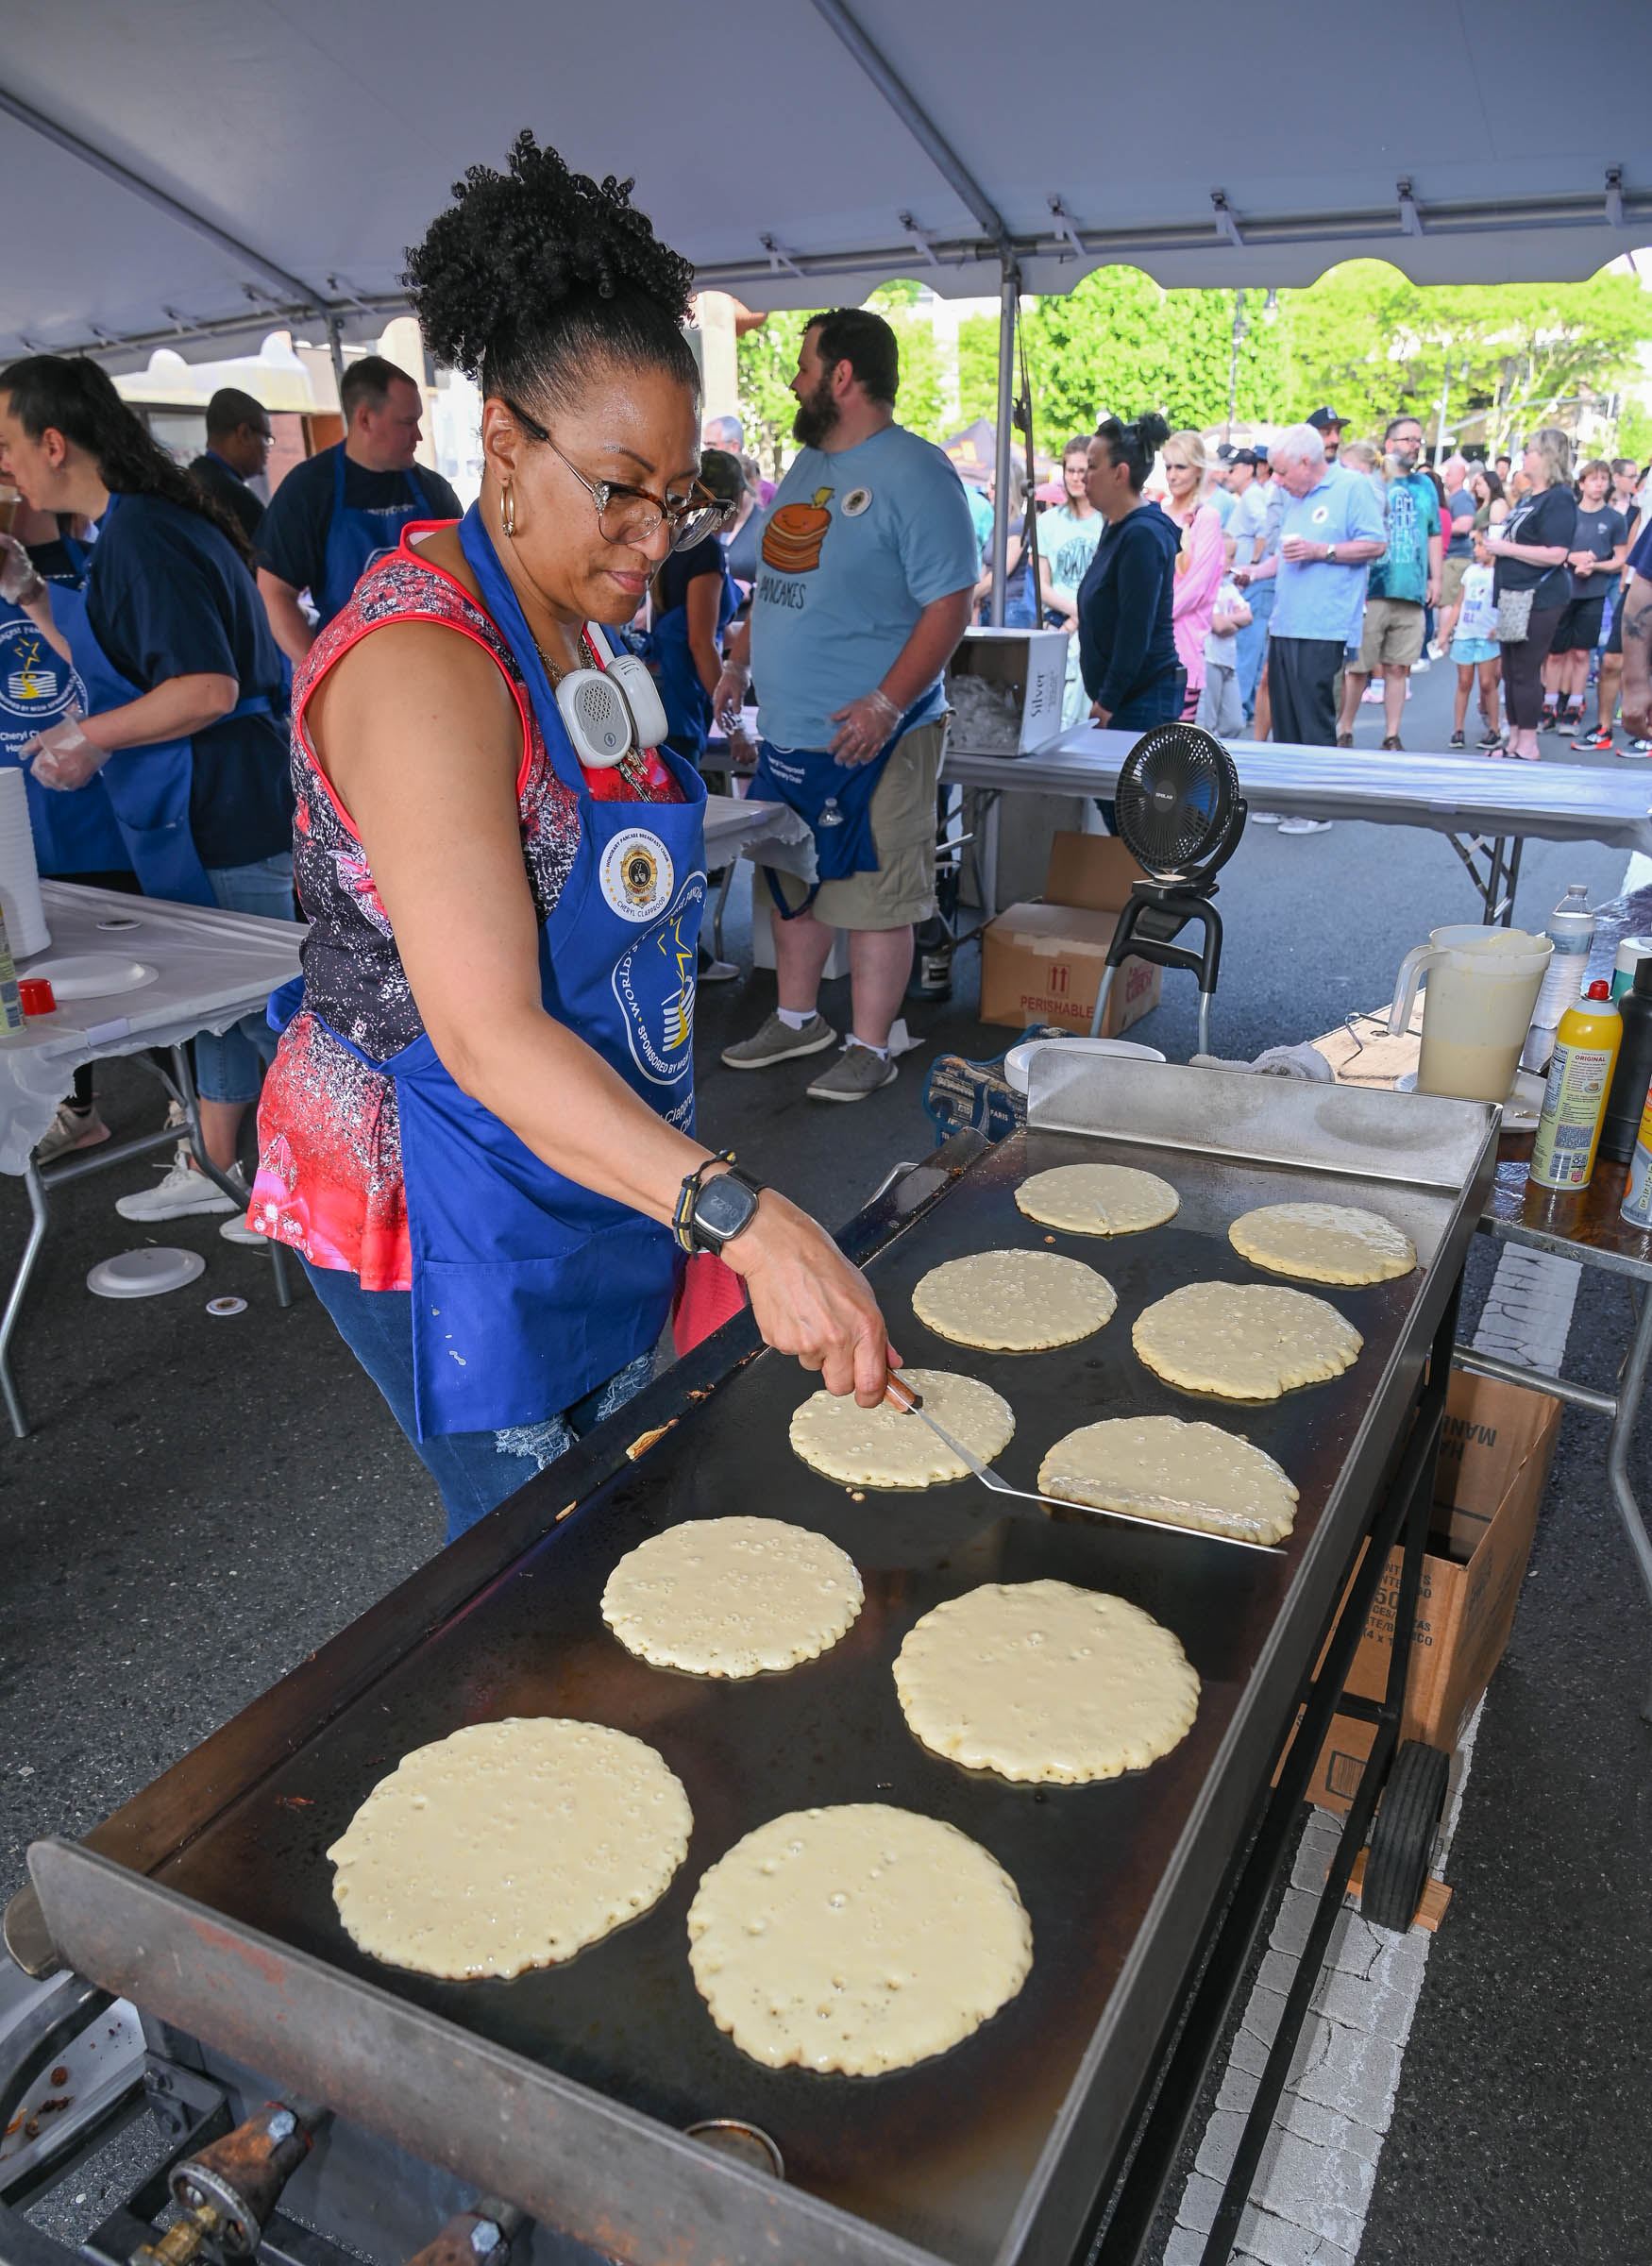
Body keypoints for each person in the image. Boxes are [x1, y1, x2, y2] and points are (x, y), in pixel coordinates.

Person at [242, 133, 893, 1544]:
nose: (657, 535)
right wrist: (748, 1218)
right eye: (621, 486)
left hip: (584, 1140)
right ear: (501, 448)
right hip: (442, 1169)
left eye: (682, 493)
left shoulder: (578, 614)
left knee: (630, 1483)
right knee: (552, 1557)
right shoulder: (421, 669)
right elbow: (480, 1034)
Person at [0, 358, 296, 1226]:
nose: (5, 465)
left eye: (8, 445)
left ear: (54, 442)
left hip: (223, 809)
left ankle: (330, 1187)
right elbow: (123, 653)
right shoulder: (132, 527)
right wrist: (30, 595)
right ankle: (221, 1169)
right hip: (205, 806)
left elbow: (201, 687)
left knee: (275, 1014)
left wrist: (88, 740)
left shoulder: (145, 536)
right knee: (227, 1017)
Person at [715, 308, 976, 1105]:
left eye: (803, 365)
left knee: (875, 894)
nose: (793, 380)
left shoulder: (916, 472)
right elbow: (775, 584)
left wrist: (886, 705)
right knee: (793, 881)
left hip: (878, 736)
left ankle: (871, 1043)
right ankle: (799, 1021)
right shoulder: (806, 466)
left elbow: (951, 603)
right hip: (793, 733)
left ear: (842, 377)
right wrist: (739, 661)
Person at [255, 355, 463, 663]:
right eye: (407, 423)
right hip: (352, 668)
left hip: (433, 659)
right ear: (365, 419)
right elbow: (274, 593)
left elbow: (465, 577)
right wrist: (319, 673)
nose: (418, 436)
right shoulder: (309, 489)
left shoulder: (433, 490)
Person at [1247, 424, 1385, 831]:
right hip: (1287, 619)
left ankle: (1318, 806)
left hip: (1324, 623)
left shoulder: (1351, 488)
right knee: (1285, 714)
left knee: (1312, 714)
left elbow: (1375, 544)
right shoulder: (1295, 495)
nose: (1276, 480)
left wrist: (1322, 550)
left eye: (1282, 471)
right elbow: (1286, 556)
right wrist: (1252, 574)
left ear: (1307, 462)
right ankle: (1288, 797)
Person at [1073, 412, 1185, 730]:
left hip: (1139, 701)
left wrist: (1108, 701)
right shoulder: (1119, 527)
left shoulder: (1141, 536)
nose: (1084, 477)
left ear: (1120, 473)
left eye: (1093, 467)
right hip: (1127, 697)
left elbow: (1135, 629)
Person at [1339, 414, 1440, 753]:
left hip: (1410, 588)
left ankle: (1391, 735)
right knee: (1358, 667)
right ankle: (1345, 729)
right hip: (1373, 585)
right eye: (1407, 439)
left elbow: (1434, 534)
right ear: (1389, 444)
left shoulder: (1425, 485)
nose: (1414, 446)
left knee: (1399, 667)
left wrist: (1435, 578)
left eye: (1418, 440)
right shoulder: (1373, 479)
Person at [1484, 428, 1578, 762]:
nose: (1524, 455)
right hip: (1513, 594)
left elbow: (1557, 553)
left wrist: (1506, 548)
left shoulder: (1559, 498)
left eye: (1530, 450)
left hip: (1539, 595)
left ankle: (1528, 743)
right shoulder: (1528, 499)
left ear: (1548, 456)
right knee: (1510, 670)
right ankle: (1513, 738)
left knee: (1525, 669)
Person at [647, 446, 741, 769]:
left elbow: (708, 628)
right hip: (682, 700)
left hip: (662, 695)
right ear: (733, 498)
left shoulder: (677, 540)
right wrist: (732, 728)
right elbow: (701, 642)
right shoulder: (706, 552)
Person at [1542, 460, 1626, 735]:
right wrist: (1572, 559)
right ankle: (1549, 704)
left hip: (1594, 592)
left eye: (1603, 479)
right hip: (1564, 589)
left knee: (1581, 652)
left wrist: (1594, 566)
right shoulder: (1569, 514)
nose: (1599, 484)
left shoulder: (1614, 518)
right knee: (1555, 653)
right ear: (1582, 483)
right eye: (1593, 479)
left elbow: (1620, 558)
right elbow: (1553, 550)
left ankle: (1574, 706)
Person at [1575, 465, 1647, 754]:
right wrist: (1627, 570)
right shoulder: (1648, 480)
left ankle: (1646, 733)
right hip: (1637, 582)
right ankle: (1604, 728)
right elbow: (1642, 522)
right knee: (1611, 660)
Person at [1038, 434, 1106, 727]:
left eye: (1083, 470)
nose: (1076, 478)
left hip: (1095, 631)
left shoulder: (1107, 521)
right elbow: (1041, 585)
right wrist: (1075, 613)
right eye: (1071, 471)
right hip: (1058, 626)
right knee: (1057, 716)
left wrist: (1080, 616)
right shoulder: (1048, 522)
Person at [1160, 430, 1224, 720]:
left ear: (1197, 469)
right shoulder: (1158, 511)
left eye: (1180, 466)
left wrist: (1150, 616)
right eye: (1168, 466)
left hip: (1183, 647)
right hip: (1150, 647)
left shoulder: (1206, 517)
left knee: (1175, 750)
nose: (1172, 475)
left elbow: (1196, 588)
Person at [1227, 447, 1279, 725]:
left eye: (1233, 469)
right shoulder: (1251, 496)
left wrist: (1255, 565)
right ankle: (1246, 706)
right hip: (1257, 579)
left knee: (1248, 646)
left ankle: (1243, 707)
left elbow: (1264, 531)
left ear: (1249, 469)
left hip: (1256, 581)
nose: (1229, 475)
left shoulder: (1253, 496)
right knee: (1252, 646)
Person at [189, 389, 272, 544]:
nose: (268, 447)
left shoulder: (190, 482)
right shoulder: (239, 503)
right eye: (267, 437)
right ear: (244, 434)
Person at [1448, 532, 1501, 750]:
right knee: (1464, 682)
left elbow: (1504, 602)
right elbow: (1459, 604)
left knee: (1488, 683)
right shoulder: (1470, 571)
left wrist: (1499, 627)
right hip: (1465, 633)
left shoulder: (1500, 573)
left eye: (1480, 544)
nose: (1475, 549)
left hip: (1487, 634)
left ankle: (1494, 728)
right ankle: (1458, 729)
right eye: (1475, 545)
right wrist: (1446, 632)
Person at [1195, 570, 1252, 738]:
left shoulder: (1229, 587)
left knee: (1234, 723)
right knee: (1206, 724)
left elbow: (1248, 616)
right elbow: (1218, 626)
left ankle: (1219, 759)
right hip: (1209, 658)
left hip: (1228, 660)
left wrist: (1227, 622)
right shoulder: (1202, 585)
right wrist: (1235, 622)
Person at [1434, 453, 1476, 655]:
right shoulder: (1454, 498)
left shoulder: (1462, 498)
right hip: (1451, 556)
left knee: (1448, 601)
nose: (1446, 477)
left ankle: (1443, 640)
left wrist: (1441, 526)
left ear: (1460, 475)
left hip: (1456, 557)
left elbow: (1465, 524)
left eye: (1449, 473)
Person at [705, 413, 774, 505]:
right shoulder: (703, 489)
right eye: (705, 444)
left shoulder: (768, 493)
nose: (706, 452)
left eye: (712, 445)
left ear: (734, 447)